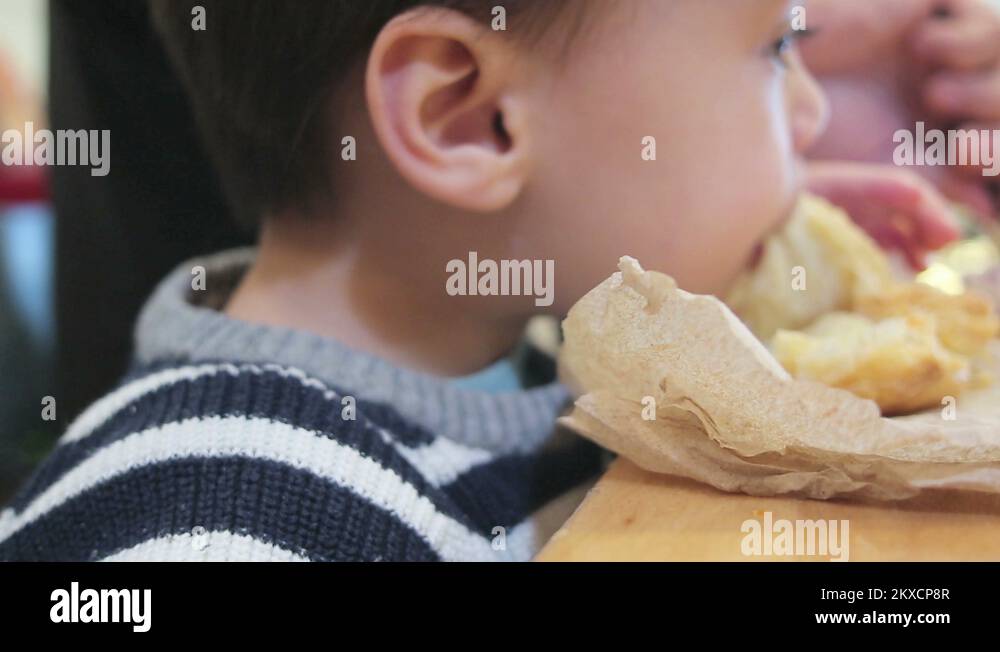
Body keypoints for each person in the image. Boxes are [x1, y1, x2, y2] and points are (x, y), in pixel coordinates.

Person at [0, 0, 950, 561]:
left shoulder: (533, 363)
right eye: (775, 50)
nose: (813, 112)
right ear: (471, 120)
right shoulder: (217, 527)